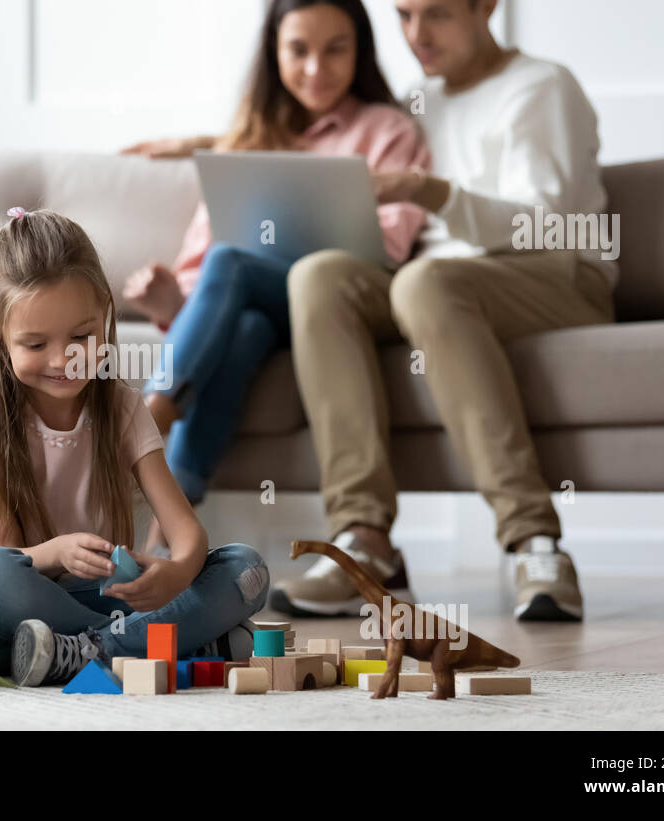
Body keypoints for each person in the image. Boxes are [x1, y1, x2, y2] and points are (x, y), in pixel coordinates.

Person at [270, 0, 616, 620]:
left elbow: (551, 229)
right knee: (319, 276)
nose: (415, 35)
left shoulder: (541, 85)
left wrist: (431, 192)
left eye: (437, 15)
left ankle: (535, 541)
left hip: (558, 275)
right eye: (403, 15)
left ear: (488, 7)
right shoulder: (418, 100)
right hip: (434, 283)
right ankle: (363, 540)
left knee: (425, 284)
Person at [120, 0, 431, 553]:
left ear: (359, 51)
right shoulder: (247, 141)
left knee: (231, 260)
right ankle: (164, 545)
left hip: (340, 306)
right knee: (244, 331)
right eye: (299, 50)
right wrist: (172, 300)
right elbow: (199, 266)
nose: (316, 68)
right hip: (262, 313)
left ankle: (147, 421)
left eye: (335, 49)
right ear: (274, 54)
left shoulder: (388, 132)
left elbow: (386, 246)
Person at [0, 207, 269, 687]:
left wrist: (177, 571)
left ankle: (89, 652)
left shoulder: (123, 409)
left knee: (245, 569)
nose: (64, 360)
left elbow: (186, 532)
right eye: (36, 344)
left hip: (81, 603)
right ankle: (162, 643)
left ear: (105, 312)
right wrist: (57, 552)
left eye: (81, 336)